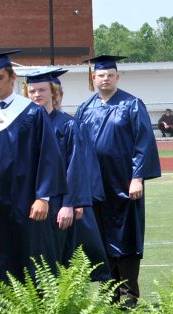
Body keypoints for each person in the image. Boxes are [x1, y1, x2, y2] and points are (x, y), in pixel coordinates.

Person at [74, 54, 161, 307]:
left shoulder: (132, 105)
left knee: (127, 238)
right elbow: (77, 149)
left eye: (110, 75)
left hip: (124, 184)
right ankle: (108, 293)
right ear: (93, 78)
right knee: (100, 239)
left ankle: (129, 295)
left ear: (117, 77)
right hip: (95, 186)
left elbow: (143, 143)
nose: (105, 79)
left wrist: (137, 177)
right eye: (101, 75)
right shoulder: (85, 109)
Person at [0, 51, 67, 284]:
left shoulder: (32, 112)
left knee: (30, 256)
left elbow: (48, 156)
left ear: (12, 76)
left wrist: (43, 197)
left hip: (26, 199)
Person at [24, 67, 112, 282]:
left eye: (42, 90)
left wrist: (71, 203)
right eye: (32, 90)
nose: (37, 95)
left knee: (58, 256)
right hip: (31, 201)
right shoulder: (25, 124)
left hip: (58, 202)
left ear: (53, 93)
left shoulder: (67, 125)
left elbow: (77, 166)